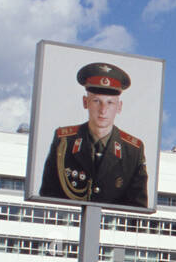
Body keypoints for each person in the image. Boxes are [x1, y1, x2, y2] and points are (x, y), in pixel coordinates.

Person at [38, 62, 148, 208]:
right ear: (85, 102)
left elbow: (137, 208)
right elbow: (48, 196)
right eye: (96, 101)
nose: (103, 110)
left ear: (119, 107)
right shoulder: (64, 141)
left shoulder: (133, 150)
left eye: (110, 103)